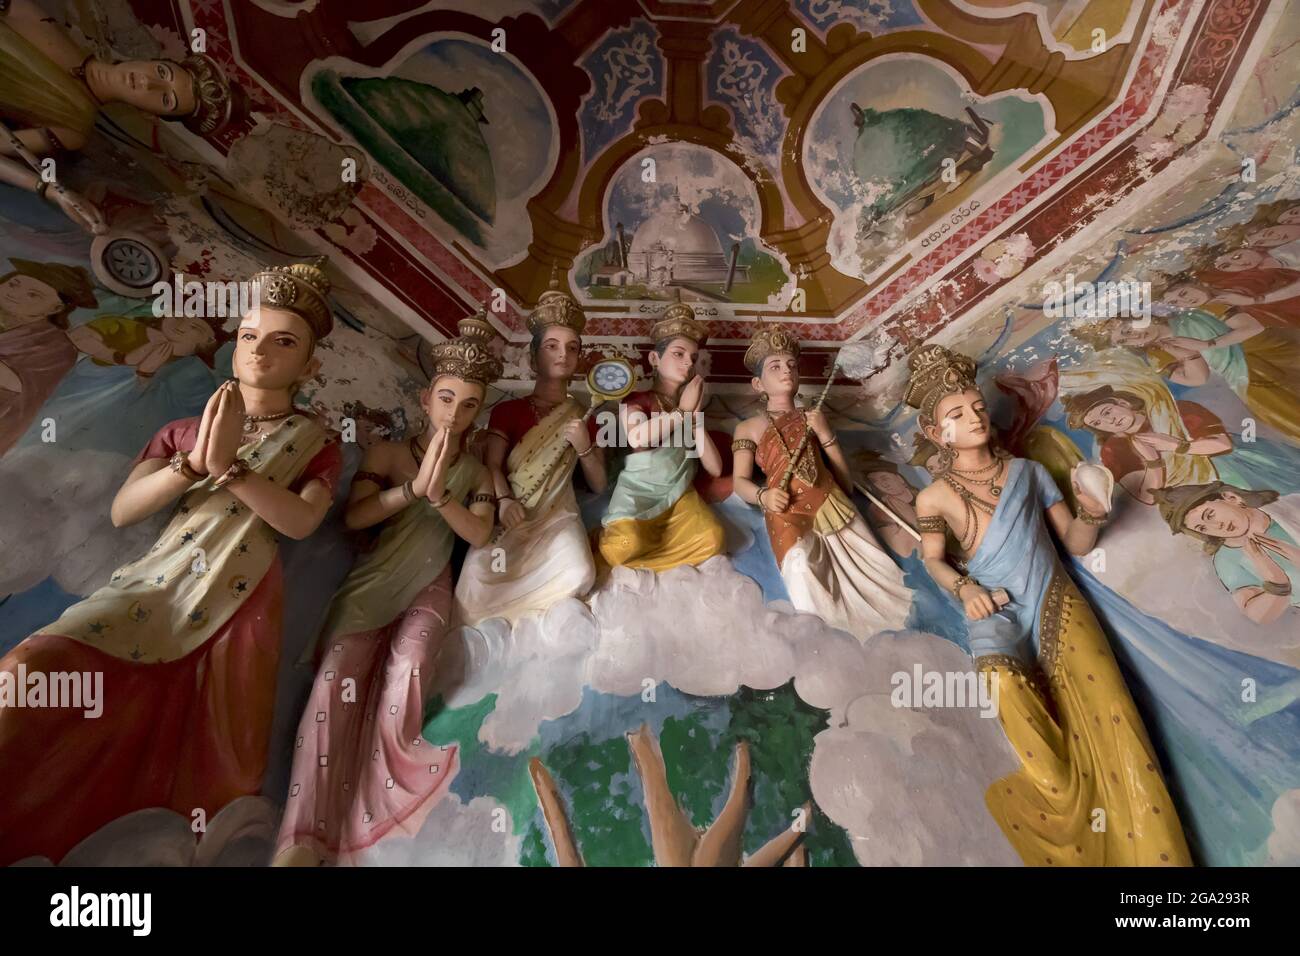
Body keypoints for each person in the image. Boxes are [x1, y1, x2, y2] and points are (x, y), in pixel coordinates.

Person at [0, 260, 342, 865]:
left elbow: (300, 520)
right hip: (155, 580)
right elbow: (123, 512)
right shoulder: (185, 429)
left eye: (284, 342)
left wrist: (232, 469)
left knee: (201, 749)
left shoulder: (315, 442)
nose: (260, 352)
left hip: (236, 598)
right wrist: (191, 465)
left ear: (310, 367)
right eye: (250, 337)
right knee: (32, 670)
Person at [906, 343, 1191, 866]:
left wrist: (1092, 511)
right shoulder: (934, 498)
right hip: (995, 611)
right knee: (1013, 702)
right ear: (934, 433)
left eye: (975, 406)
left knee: (1113, 714)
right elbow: (933, 561)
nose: (973, 417)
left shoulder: (1030, 473)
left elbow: (1078, 545)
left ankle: (1155, 861)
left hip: (1056, 600)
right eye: (956, 414)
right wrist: (965, 589)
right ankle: (1074, 830)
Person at [275, 317, 500, 865]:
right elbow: (353, 520)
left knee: (412, 669)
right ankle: (303, 835)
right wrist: (410, 490)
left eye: (469, 405)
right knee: (333, 687)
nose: (454, 413)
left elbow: (480, 532)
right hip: (372, 582)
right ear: (427, 398)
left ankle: (376, 819)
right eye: (447, 398)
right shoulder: (388, 454)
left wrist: (439, 493)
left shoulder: (475, 472)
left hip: (429, 583)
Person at [730, 321, 911, 638]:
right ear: (758, 383)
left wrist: (826, 435)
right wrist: (763, 497)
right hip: (786, 509)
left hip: (831, 502)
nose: (786, 371)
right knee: (800, 567)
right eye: (775, 366)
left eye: (791, 365)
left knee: (874, 570)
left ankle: (876, 632)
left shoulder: (813, 417)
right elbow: (739, 482)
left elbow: (846, 483)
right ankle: (822, 639)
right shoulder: (749, 429)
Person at [0, 0, 241, 230]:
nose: (148, 83)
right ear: (151, 61)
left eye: (165, 99)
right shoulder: (58, 26)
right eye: (161, 72)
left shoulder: (73, 127)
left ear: (149, 114)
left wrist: (54, 192)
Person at [453, 282, 606, 626]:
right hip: (513, 513)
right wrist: (505, 500)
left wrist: (584, 447)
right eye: (551, 346)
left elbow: (598, 485)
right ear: (533, 355)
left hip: (557, 517)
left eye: (571, 347)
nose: (562, 354)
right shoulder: (508, 411)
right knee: (476, 585)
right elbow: (492, 464)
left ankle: (540, 630)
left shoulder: (584, 414)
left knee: (579, 571)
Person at [597, 297, 725, 572]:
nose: (688, 363)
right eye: (678, 354)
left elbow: (714, 468)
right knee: (622, 547)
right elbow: (638, 439)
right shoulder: (638, 399)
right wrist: (681, 411)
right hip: (639, 492)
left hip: (679, 496)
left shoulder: (690, 408)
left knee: (712, 538)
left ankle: (652, 566)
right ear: (655, 358)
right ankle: (638, 558)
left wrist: (695, 419)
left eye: (693, 358)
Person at [1153, 481, 1299, 625]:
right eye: (1202, 528)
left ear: (1231, 498)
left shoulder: (1291, 506)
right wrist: (1276, 583)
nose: (1216, 526)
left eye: (1210, 515)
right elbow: (1257, 615)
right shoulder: (1226, 559)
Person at [0, 257, 95, 455]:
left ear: (56, 308)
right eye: (14, 284)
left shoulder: (56, 347)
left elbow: (18, 384)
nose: (14, 294)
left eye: (33, 295)